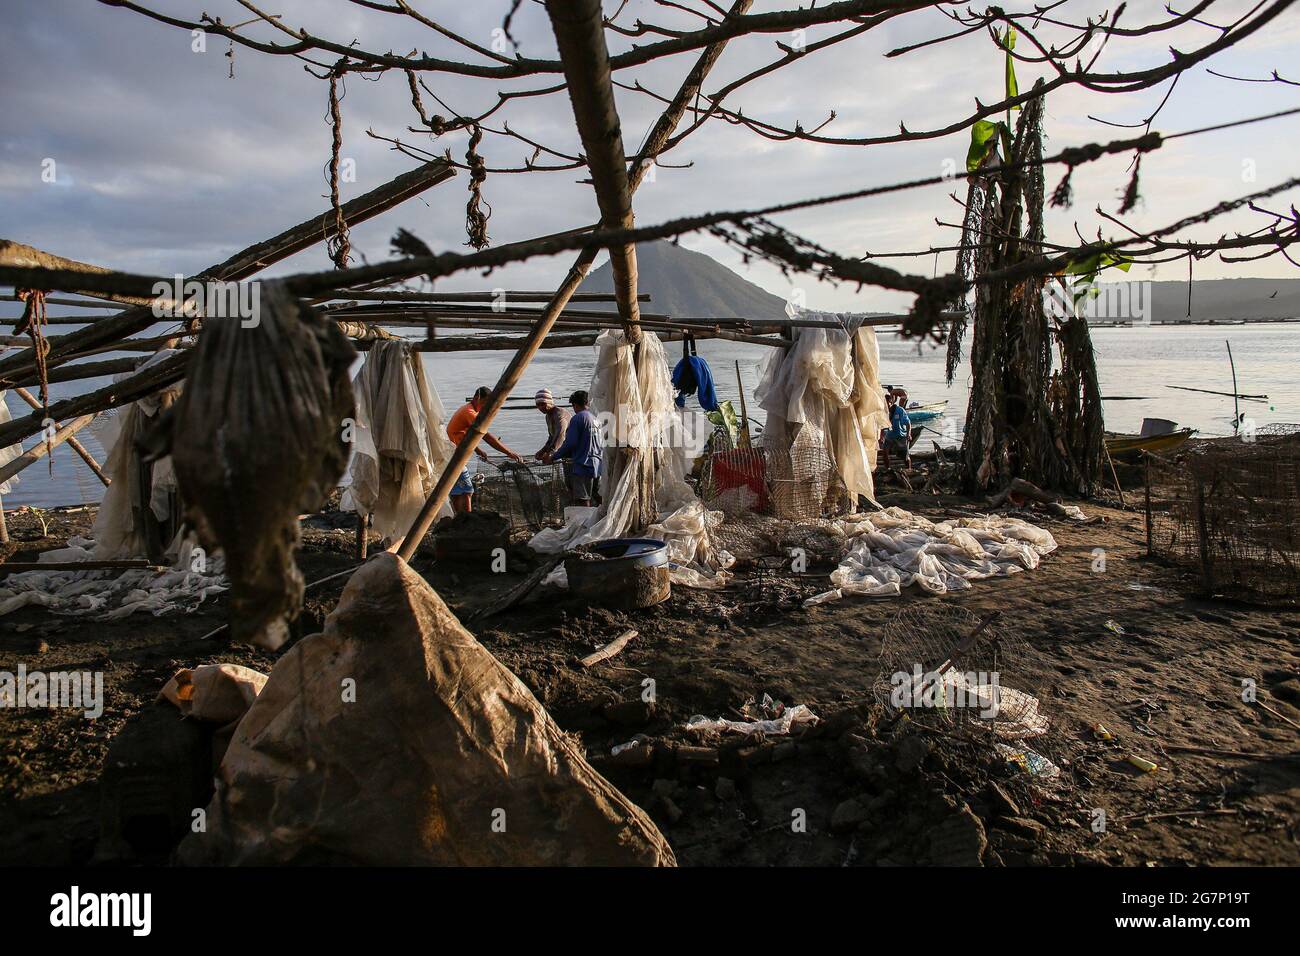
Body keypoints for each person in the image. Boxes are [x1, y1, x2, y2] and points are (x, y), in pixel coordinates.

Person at [446, 386, 523, 513]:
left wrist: (478, 450)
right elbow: (487, 437)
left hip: (453, 453)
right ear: (477, 398)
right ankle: (466, 520)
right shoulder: (469, 412)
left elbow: (464, 435)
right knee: (467, 490)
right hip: (454, 455)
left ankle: (459, 519)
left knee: (457, 490)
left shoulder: (469, 410)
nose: (486, 406)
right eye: (485, 402)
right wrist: (508, 452)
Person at [542, 390, 602, 506]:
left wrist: (553, 457)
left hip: (582, 465)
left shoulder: (577, 419)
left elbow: (570, 443)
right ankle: (605, 519)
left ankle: (584, 523)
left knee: (582, 499)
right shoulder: (595, 419)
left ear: (575, 404)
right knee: (597, 495)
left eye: (573, 406)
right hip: (597, 464)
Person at [532, 388, 573, 463]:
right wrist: (543, 451)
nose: (540, 407)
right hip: (563, 451)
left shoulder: (560, 413)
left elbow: (561, 434)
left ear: (550, 402)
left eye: (543, 404)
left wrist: (550, 453)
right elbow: (552, 437)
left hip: (573, 451)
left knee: (572, 473)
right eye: (538, 405)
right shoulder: (548, 416)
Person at [881, 389, 912, 470]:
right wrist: (881, 437)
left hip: (900, 435)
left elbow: (908, 423)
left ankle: (909, 469)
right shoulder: (884, 412)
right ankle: (888, 469)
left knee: (905, 457)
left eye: (887, 404)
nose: (886, 406)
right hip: (890, 436)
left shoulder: (900, 410)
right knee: (884, 452)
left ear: (891, 403)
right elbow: (882, 425)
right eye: (884, 404)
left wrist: (908, 434)